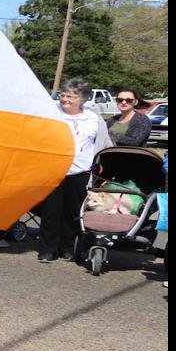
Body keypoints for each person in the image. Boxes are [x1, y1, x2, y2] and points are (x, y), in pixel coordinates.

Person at [39, 78, 112, 263]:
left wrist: (101, 164)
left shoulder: (94, 119)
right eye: (63, 95)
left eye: (70, 96)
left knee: (73, 212)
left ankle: (67, 248)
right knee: (51, 211)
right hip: (53, 170)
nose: (65, 99)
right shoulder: (50, 112)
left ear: (82, 99)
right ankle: (48, 250)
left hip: (81, 172)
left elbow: (104, 144)